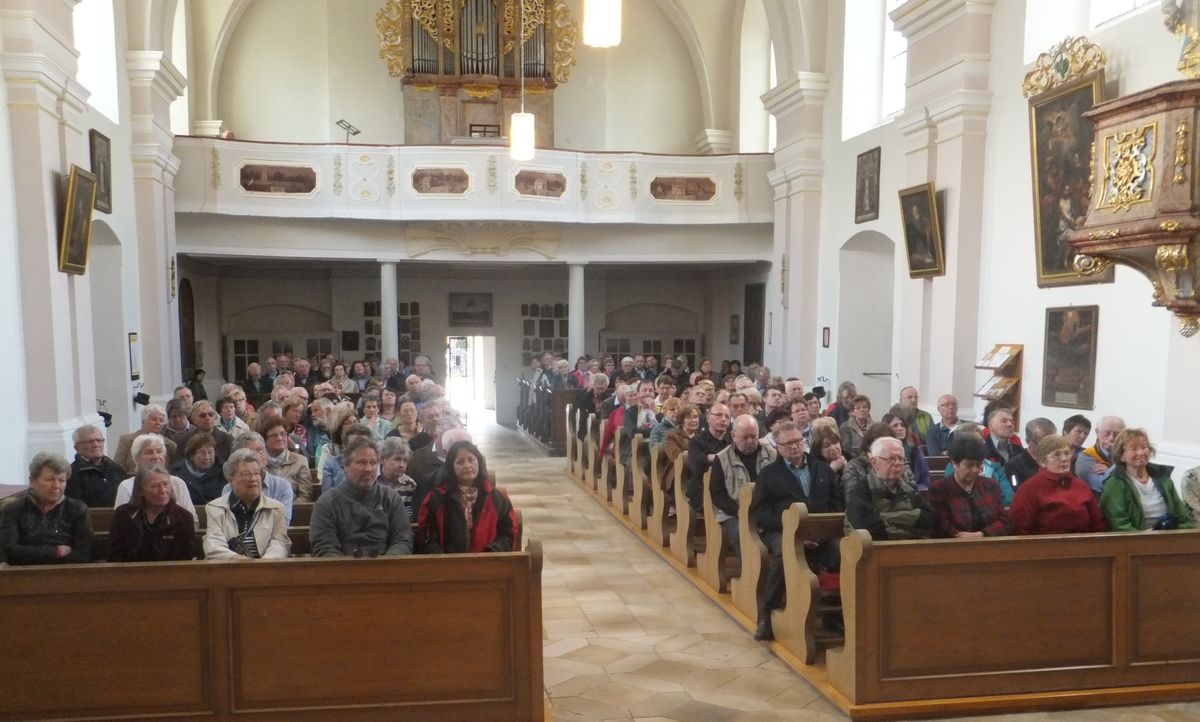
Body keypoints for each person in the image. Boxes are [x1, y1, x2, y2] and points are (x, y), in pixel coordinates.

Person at [749, 421, 839, 641]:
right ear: (778, 447)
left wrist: (823, 530)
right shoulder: (769, 474)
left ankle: (836, 611)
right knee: (786, 555)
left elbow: (837, 503)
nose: (794, 447)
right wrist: (792, 530)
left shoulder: (822, 469)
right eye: (788, 443)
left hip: (821, 532)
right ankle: (766, 614)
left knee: (843, 553)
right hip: (782, 531)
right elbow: (761, 512)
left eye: (798, 441)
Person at [310, 436, 413, 557]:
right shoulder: (327, 502)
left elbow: (403, 539)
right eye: (361, 463)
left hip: (386, 569)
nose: (368, 469)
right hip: (341, 570)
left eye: (373, 463)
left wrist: (386, 564)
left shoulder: (391, 498)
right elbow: (324, 546)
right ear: (346, 467)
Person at [416, 441, 517, 553]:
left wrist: (491, 553)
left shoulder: (497, 498)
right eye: (460, 462)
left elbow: (508, 535)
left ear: (479, 462)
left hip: (488, 563)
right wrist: (443, 559)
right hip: (447, 565)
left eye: (471, 459)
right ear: (451, 467)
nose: (467, 466)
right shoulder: (437, 498)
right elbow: (427, 536)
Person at [0, 452, 93, 565]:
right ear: (32, 481)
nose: (56, 486)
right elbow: (10, 552)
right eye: (49, 479)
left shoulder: (77, 509)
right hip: (22, 575)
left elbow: (84, 554)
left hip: (68, 574)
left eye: (61, 480)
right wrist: (56, 552)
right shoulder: (13, 510)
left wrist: (29, 554)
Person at [203, 448, 291, 559]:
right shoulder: (215, 508)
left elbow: (280, 544)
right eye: (246, 474)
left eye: (256, 473)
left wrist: (263, 565)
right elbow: (213, 545)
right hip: (228, 569)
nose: (253, 479)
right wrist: (240, 561)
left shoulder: (276, 508)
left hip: (266, 570)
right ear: (231, 480)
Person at [1099, 429, 1194, 531]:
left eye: (1144, 447)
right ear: (1121, 456)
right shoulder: (1115, 484)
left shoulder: (1164, 480)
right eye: (1133, 449)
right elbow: (1120, 526)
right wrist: (1147, 541)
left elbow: (1183, 518)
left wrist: (1179, 538)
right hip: (1135, 542)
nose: (1141, 453)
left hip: (1169, 539)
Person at [709, 414, 778, 553]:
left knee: (781, 534)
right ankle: (749, 572)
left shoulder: (772, 454)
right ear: (733, 436)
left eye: (754, 436)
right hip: (734, 512)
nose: (751, 441)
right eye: (745, 437)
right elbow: (717, 493)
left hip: (766, 509)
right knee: (742, 535)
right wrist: (738, 510)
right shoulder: (722, 459)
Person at [1010, 435, 1105, 535]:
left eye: (1067, 453)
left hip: (1083, 546)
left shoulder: (1080, 486)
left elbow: (1097, 524)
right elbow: (1019, 529)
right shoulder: (1029, 489)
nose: (1064, 459)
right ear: (1042, 461)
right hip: (1044, 547)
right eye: (1057, 455)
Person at [845, 437, 935, 540]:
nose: (897, 463)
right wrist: (909, 529)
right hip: (875, 551)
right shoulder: (860, 490)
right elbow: (867, 528)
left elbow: (929, 519)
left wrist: (883, 517)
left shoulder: (909, 489)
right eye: (892, 459)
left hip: (909, 550)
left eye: (901, 459)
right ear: (874, 462)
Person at [107, 464, 196, 562]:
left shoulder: (183, 517)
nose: (163, 490)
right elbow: (115, 554)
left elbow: (184, 557)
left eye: (166, 484)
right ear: (140, 490)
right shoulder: (123, 514)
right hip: (129, 573)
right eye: (155, 486)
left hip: (171, 574)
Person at [929, 435, 1013, 538]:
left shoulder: (990, 485)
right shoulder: (940, 489)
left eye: (978, 465)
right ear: (954, 463)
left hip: (989, 543)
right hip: (954, 546)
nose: (975, 470)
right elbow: (942, 525)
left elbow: (1005, 520)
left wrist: (981, 534)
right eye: (969, 465)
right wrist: (961, 537)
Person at [113, 434, 199, 523]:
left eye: (159, 451)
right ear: (137, 459)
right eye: (149, 452)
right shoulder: (126, 486)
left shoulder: (178, 483)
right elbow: (122, 521)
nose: (156, 456)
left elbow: (193, 521)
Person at [66, 424, 127, 507]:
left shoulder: (116, 469)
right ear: (77, 448)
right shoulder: (71, 474)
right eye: (90, 441)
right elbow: (76, 508)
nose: (96, 445)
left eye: (99, 440)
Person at [686, 402, 732, 512]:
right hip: (704, 488)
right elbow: (698, 468)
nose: (723, 419)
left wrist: (711, 458)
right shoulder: (697, 441)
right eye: (719, 415)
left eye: (727, 416)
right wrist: (721, 459)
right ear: (708, 418)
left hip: (730, 486)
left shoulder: (733, 440)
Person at [260, 416, 314, 502]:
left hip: (294, 511)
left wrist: (287, 509)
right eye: (274, 435)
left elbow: (305, 495)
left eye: (283, 434)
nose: (279, 438)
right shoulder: (258, 462)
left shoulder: (300, 461)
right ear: (265, 440)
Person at [114, 404, 176, 473]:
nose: (157, 423)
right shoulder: (126, 440)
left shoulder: (170, 445)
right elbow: (117, 467)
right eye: (153, 419)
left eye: (161, 420)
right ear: (143, 421)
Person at [1074, 415, 1126, 495]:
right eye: (1107, 433)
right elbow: (1103, 485)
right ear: (1097, 432)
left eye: (1117, 434)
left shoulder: (1129, 454)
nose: (1111, 438)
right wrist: (1118, 466)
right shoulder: (1086, 457)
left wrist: (1108, 470)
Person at [171, 431, 227, 504]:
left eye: (210, 452)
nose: (207, 457)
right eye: (202, 453)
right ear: (191, 455)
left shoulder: (224, 472)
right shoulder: (176, 473)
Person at [881, 412, 930, 490]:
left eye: (902, 425)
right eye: (895, 425)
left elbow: (924, 478)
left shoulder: (915, 449)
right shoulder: (880, 450)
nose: (900, 428)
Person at [1005, 418, 1056, 488]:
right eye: (1042, 443)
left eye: (1052, 442)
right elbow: (1017, 491)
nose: (1048, 447)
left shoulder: (1057, 459)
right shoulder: (1014, 465)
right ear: (1027, 441)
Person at [377, 437, 417, 522]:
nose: (402, 465)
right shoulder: (370, 480)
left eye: (405, 460)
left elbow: (409, 515)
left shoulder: (409, 484)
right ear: (382, 459)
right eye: (397, 459)